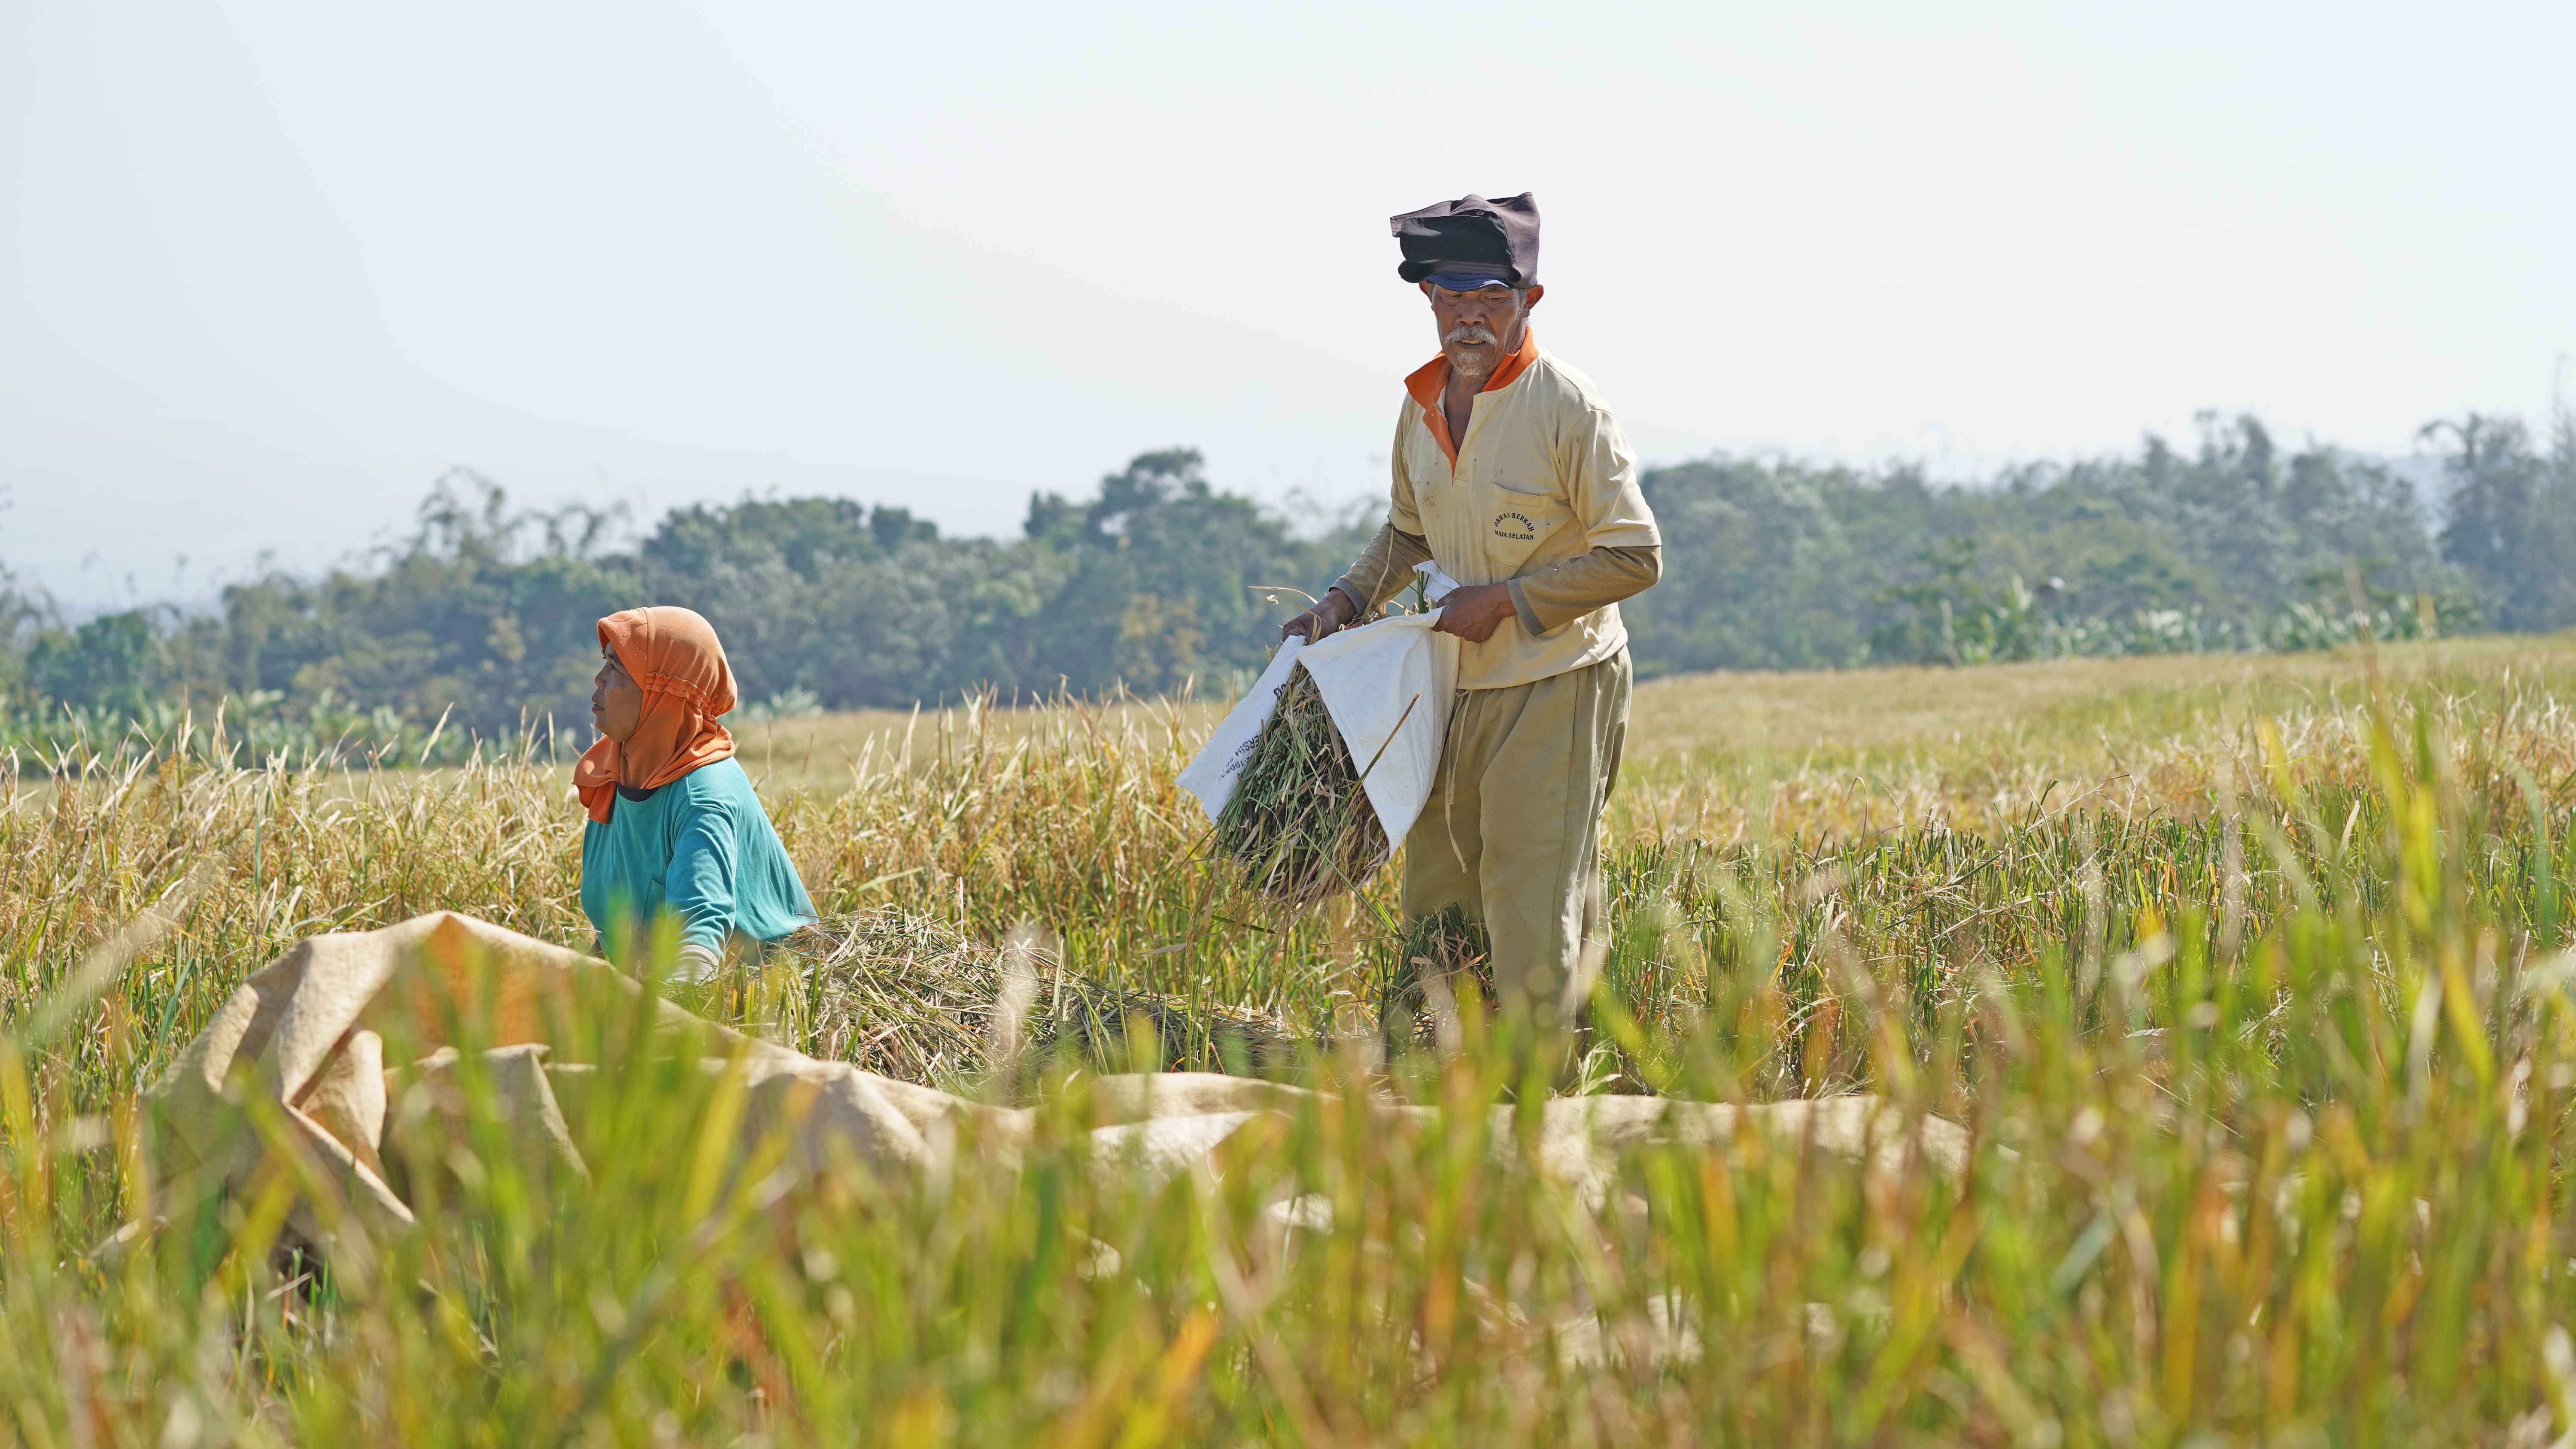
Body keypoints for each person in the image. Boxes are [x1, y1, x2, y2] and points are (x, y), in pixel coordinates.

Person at [1282, 192, 1661, 1028]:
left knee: (1531, 893)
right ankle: (1439, 1076)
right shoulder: (1420, 405)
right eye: (1453, 295)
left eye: (1492, 295)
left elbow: (1636, 556)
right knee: (1440, 887)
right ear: (1426, 298)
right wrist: (1343, 601)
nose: (1471, 315)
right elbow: (1407, 532)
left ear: (1530, 299)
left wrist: (1512, 599)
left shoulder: (1567, 406)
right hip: (1452, 683)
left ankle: (1540, 1098)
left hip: (1559, 676)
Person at [574, 605, 816, 979]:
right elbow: (616, 938)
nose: (599, 680)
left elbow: (699, 943)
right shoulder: (613, 776)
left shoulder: (703, 794)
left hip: (764, 996)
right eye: (605, 663)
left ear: (664, 692)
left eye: (617, 668)